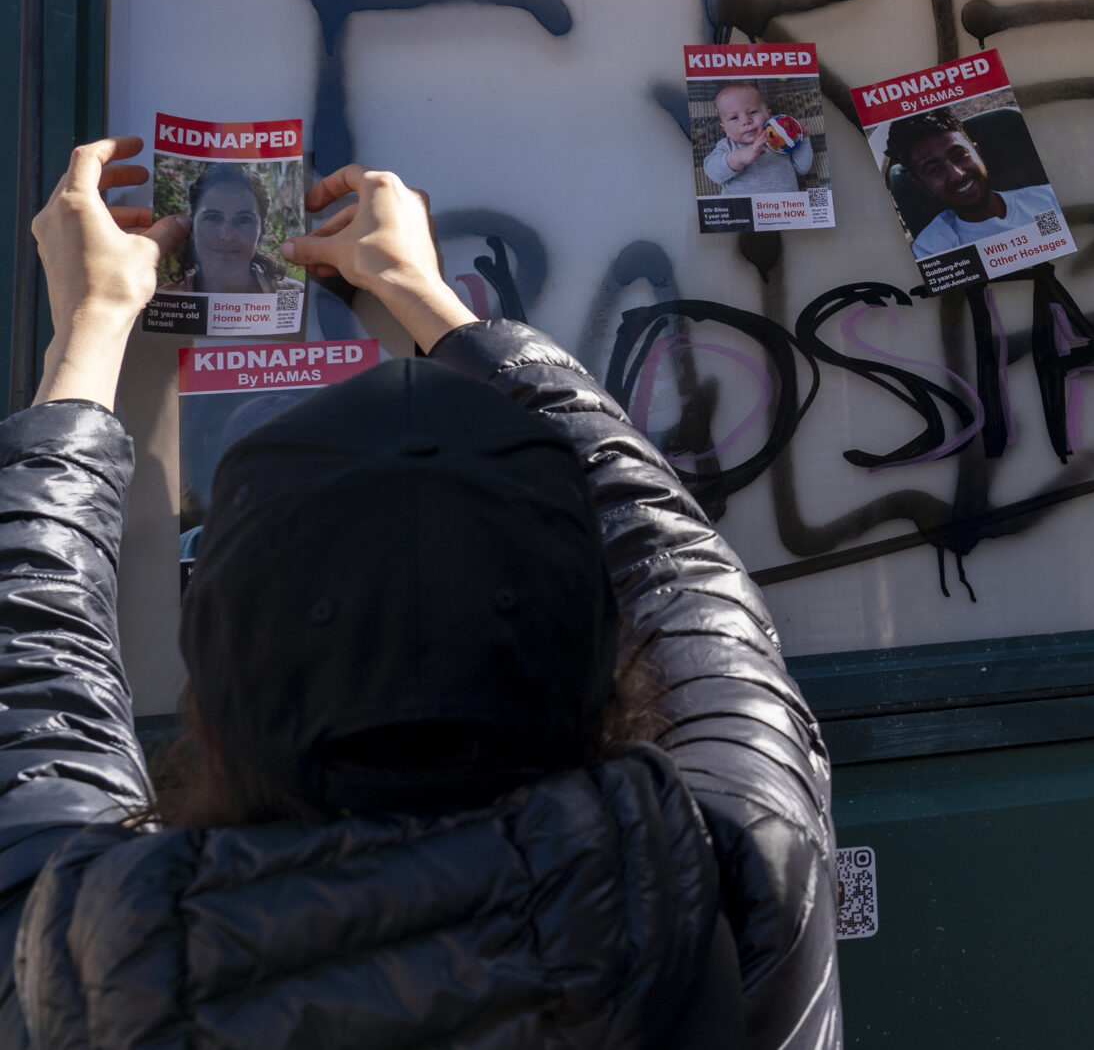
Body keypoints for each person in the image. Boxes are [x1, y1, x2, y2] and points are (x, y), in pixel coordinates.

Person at [0, 137, 840, 1048]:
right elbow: (679, 569)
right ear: (597, 651)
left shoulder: (83, 961)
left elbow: (32, 670)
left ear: (214, 685)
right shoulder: (729, 873)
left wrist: (89, 330)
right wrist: (428, 296)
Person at [886, 108, 1058, 260]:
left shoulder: (1045, 202)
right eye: (935, 170)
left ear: (977, 152)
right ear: (923, 186)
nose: (958, 175)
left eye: (959, 155)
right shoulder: (932, 249)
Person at [159, 162, 288, 295]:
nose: (226, 236)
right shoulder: (163, 299)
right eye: (213, 218)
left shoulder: (291, 293)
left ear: (262, 231)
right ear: (192, 227)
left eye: (243, 219)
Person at [703, 81, 812, 196]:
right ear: (726, 130)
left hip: (785, 208)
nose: (746, 121)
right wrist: (741, 157)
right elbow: (713, 173)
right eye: (734, 118)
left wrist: (802, 140)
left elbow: (802, 168)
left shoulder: (780, 140)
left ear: (769, 116)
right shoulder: (728, 146)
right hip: (745, 209)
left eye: (753, 112)